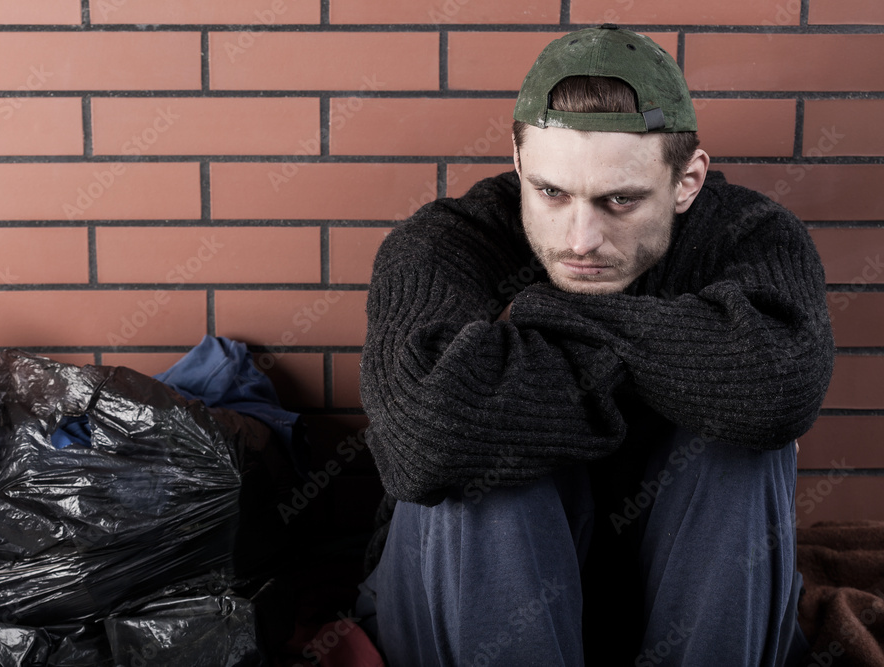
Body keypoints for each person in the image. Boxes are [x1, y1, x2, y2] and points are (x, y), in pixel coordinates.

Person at [356, 25, 835, 666]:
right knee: (481, 452)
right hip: (464, 600)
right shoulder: (444, 243)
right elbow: (426, 442)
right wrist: (682, 362)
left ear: (688, 180)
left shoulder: (751, 236)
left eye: (620, 200)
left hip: (681, 597)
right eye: (551, 193)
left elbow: (775, 391)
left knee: (743, 442)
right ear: (520, 165)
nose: (580, 240)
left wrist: (545, 317)